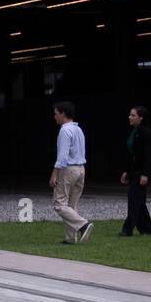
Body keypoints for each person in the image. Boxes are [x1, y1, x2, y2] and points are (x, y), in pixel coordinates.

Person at [50, 100, 92, 244]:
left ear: (63, 114)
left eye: (56, 114)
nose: (54, 116)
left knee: (59, 204)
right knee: (72, 206)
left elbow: (62, 156)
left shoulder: (64, 130)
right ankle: (70, 238)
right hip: (81, 169)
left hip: (68, 170)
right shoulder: (78, 129)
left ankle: (83, 224)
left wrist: (54, 173)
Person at [120, 105, 151, 236]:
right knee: (139, 201)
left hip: (141, 172)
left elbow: (148, 155)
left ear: (141, 118)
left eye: (133, 115)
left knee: (134, 199)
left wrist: (145, 174)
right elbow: (131, 154)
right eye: (130, 115)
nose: (130, 117)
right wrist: (126, 171)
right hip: (134, 171)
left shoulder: (146, 133)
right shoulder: (134, 132)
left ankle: (127, 229)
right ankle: (147, 229)